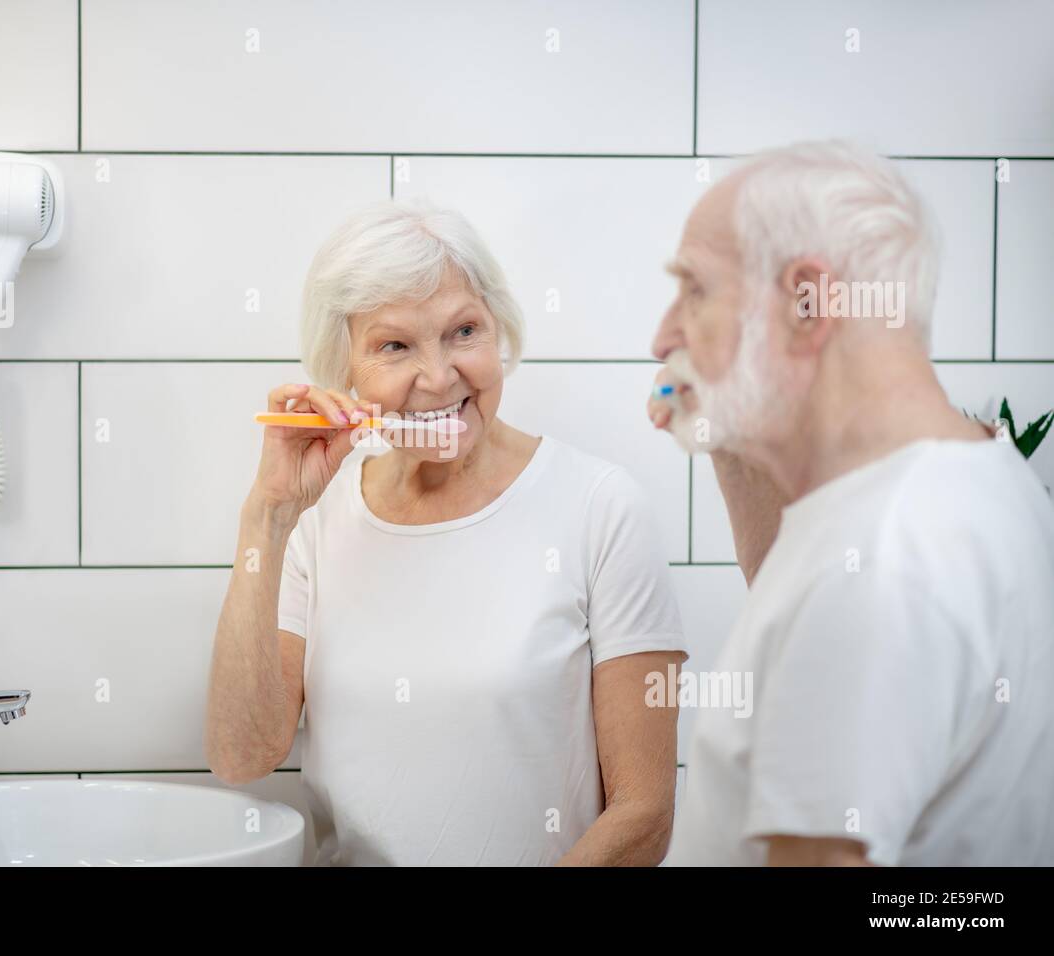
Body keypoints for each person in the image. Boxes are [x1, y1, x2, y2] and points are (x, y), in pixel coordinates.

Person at [207, 198, 688, 865]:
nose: (438, 377)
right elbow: (241, 754)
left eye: (464, 331)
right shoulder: (315, 521)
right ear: (344, 374)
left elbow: (644, 818)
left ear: (499, 331)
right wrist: (269, 515)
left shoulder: (599, 508)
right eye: (395, 345)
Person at [647, 140, 1054, 865]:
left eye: (696, 290)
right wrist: (727, 433)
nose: (663, 336)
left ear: (808, 302)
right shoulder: (979, 474)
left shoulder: (881, 561)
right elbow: (790, 594)